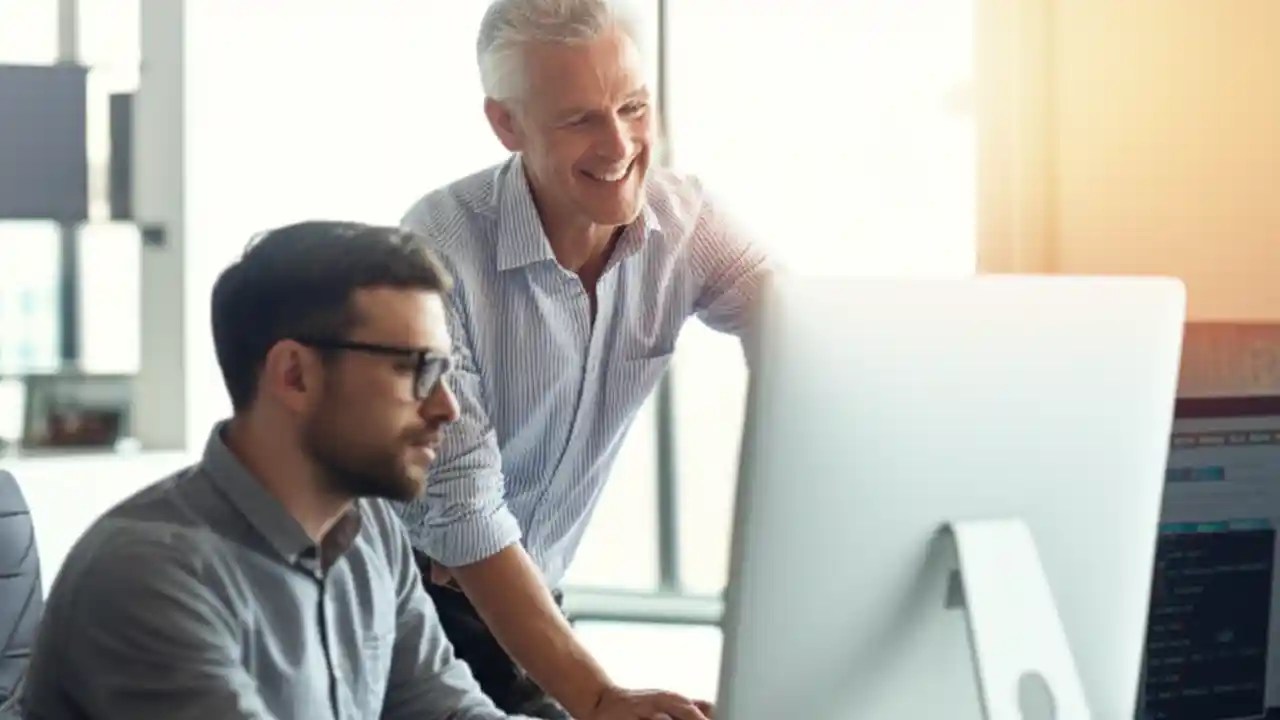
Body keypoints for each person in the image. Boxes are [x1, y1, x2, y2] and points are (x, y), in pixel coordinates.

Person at [395, 1, 772, 718]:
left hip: (531, 592)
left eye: (633, 107)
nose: (619, 144)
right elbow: (465, 513)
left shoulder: (686, 224)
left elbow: (807, 352)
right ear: (506, 123)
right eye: (579, 120)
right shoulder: (437, 246)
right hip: (408, 601)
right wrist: (598, 699)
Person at [19, 222, 530, 719]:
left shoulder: (371, 531)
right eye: (416, 368)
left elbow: (446, 709)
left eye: (445, 371)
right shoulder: (148, 577)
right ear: (294, 374)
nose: (447, 408)